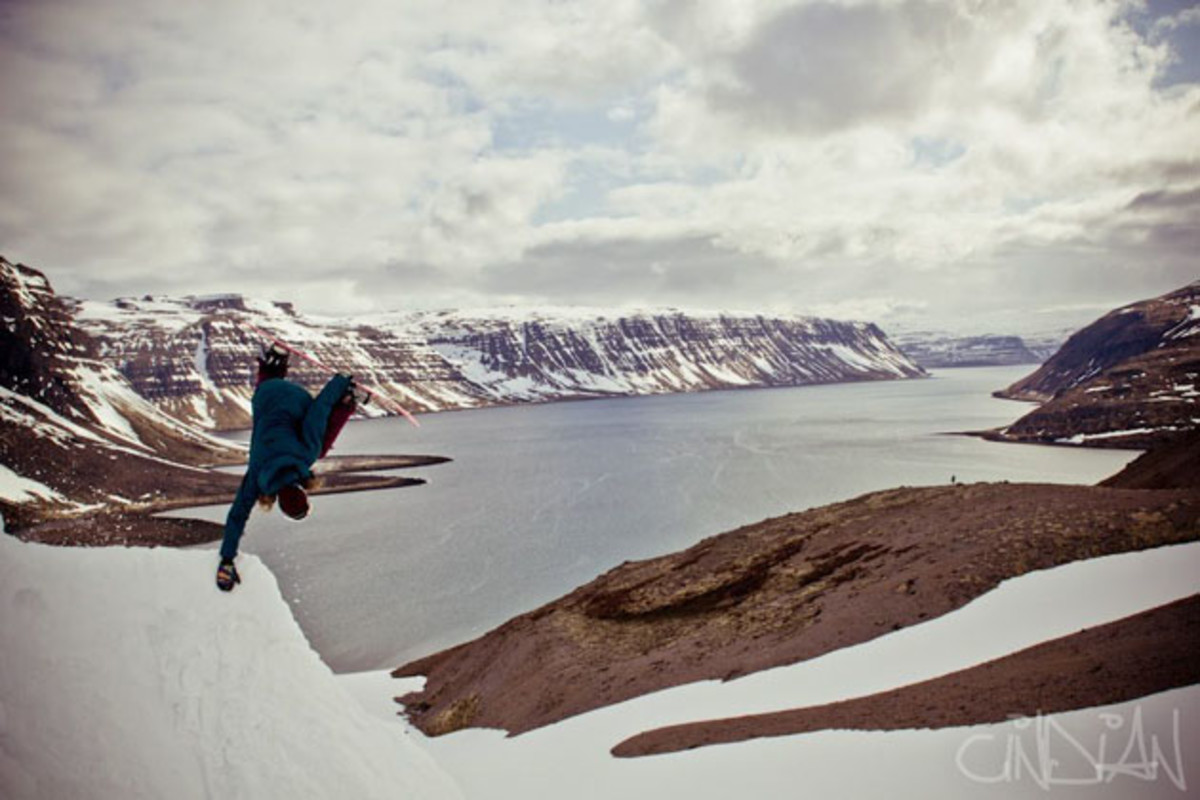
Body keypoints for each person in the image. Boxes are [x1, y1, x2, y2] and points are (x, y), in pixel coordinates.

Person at [216, 345, 359, 591]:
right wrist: (227, 560)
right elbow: (237, 515)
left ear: (303, 492)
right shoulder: (258, 477)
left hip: (294, 397)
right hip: (266, 391)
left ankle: (347, 401)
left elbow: (318, 412)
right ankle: (274, 362)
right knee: (267, 405)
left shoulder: (306, 455)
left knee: (320, 445)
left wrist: (339, 383)